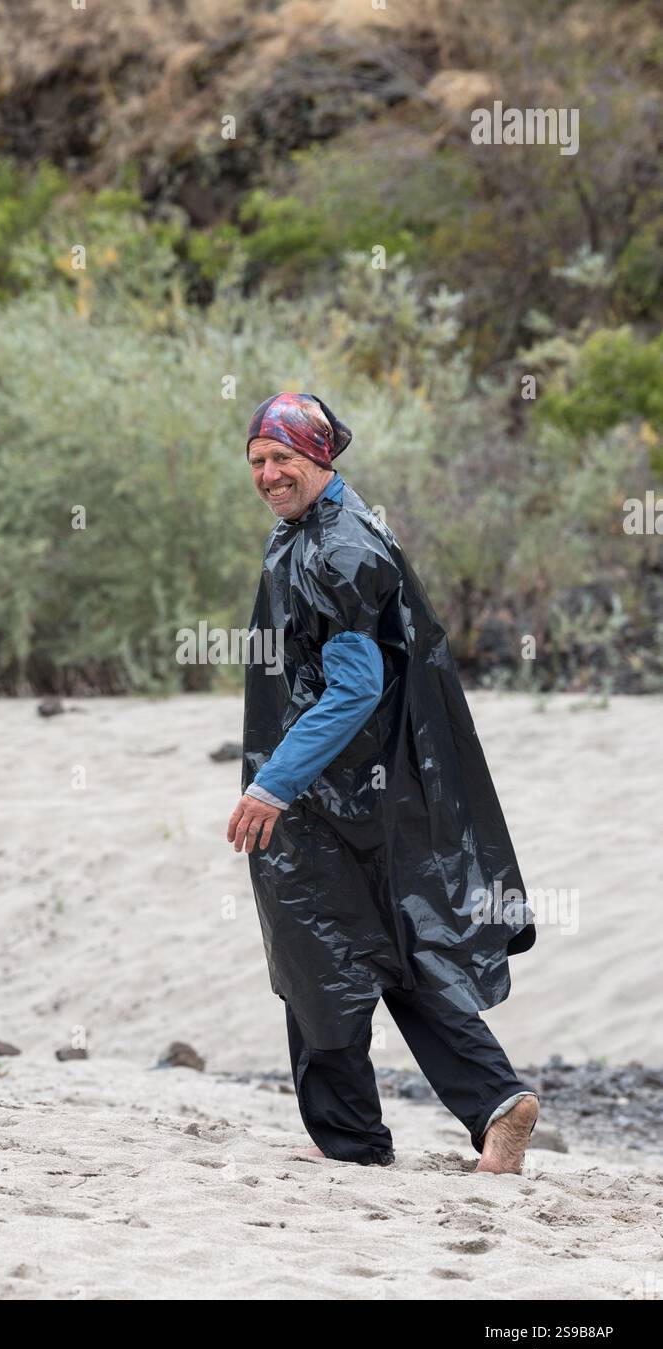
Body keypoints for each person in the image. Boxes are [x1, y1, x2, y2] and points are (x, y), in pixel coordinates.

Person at [226, 391, 540, 1175]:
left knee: (317, 946)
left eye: (282, 460)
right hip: (355, 787)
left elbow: (354, 687)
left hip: (333, 792)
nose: (268, 474)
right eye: (258, 461)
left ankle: (353, 1139)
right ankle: (491, 1104)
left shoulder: (340, 550)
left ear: (320, 459)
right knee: (380, 945)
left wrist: (275, 784)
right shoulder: (311, 530)